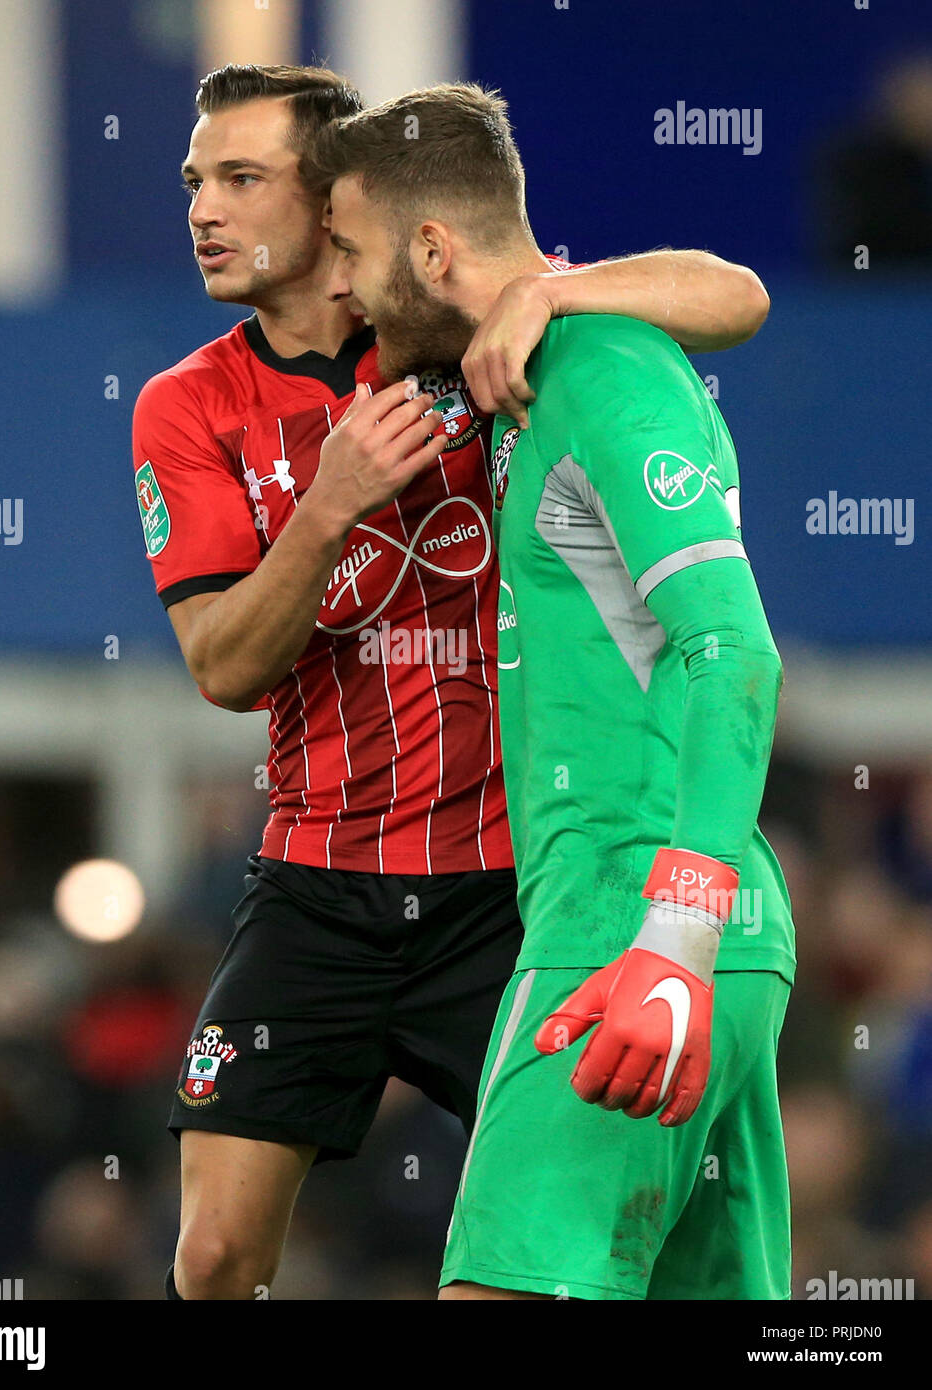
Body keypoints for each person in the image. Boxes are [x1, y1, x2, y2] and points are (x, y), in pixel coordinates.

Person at [132, 63, 771, 1301]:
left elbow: (731, 293)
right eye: (194, 181)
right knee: (212, 1258)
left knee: (582, 1233)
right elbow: (221, 665)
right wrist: (324, 512)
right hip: (319, 879)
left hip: (503, 887)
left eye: (239, 178)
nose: (203, 208)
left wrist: (551, 291)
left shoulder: (454, 325)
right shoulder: (188, 405)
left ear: (336, 217)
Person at [306, 82, 795, 1300]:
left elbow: (734, 651)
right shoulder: (537, 368)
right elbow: (729, 291)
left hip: (631, 926)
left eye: (356, 255)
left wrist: (671, 941)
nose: (344, 292)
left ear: (432, 250)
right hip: (683, 936)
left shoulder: (596, 368)